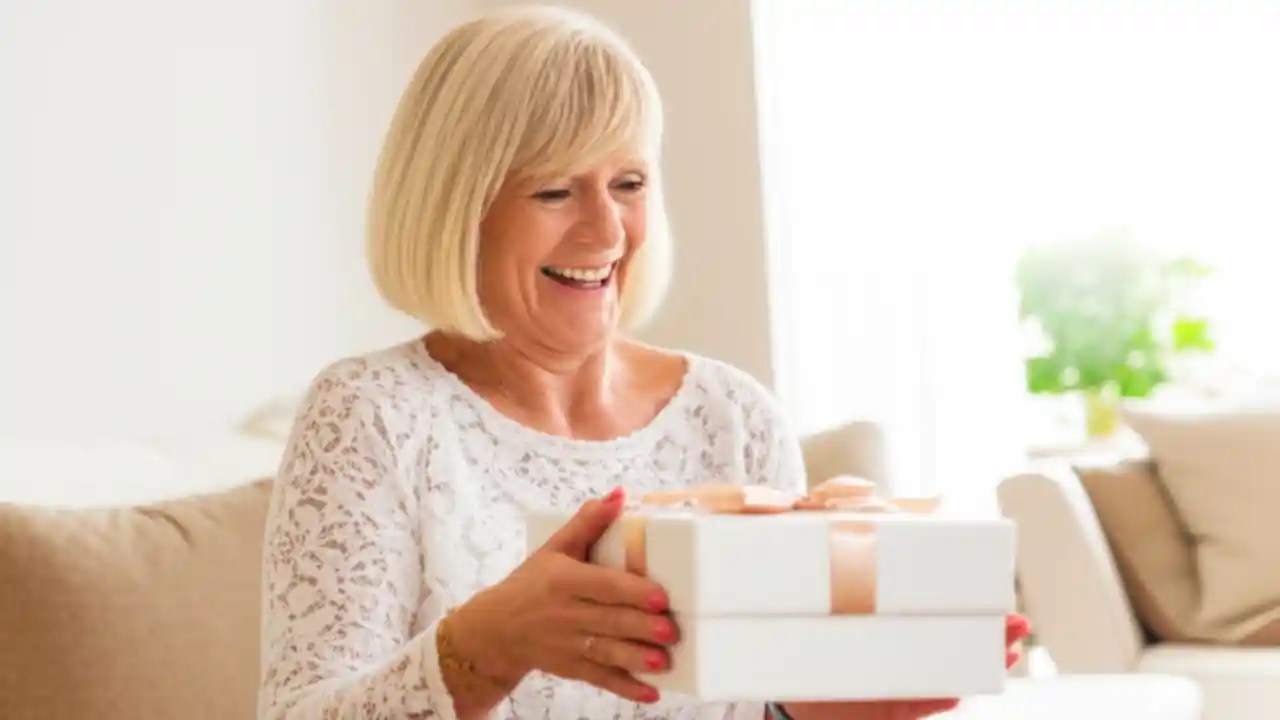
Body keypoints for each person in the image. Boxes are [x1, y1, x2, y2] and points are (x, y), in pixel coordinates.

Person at [256, 6, 1029, 719]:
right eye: (554, 191)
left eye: (627, 184)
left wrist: (824, 711)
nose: (606, 233)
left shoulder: (733, 415)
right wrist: (487, 645)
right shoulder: (371, 414)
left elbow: (756, 706)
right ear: (457, 208)